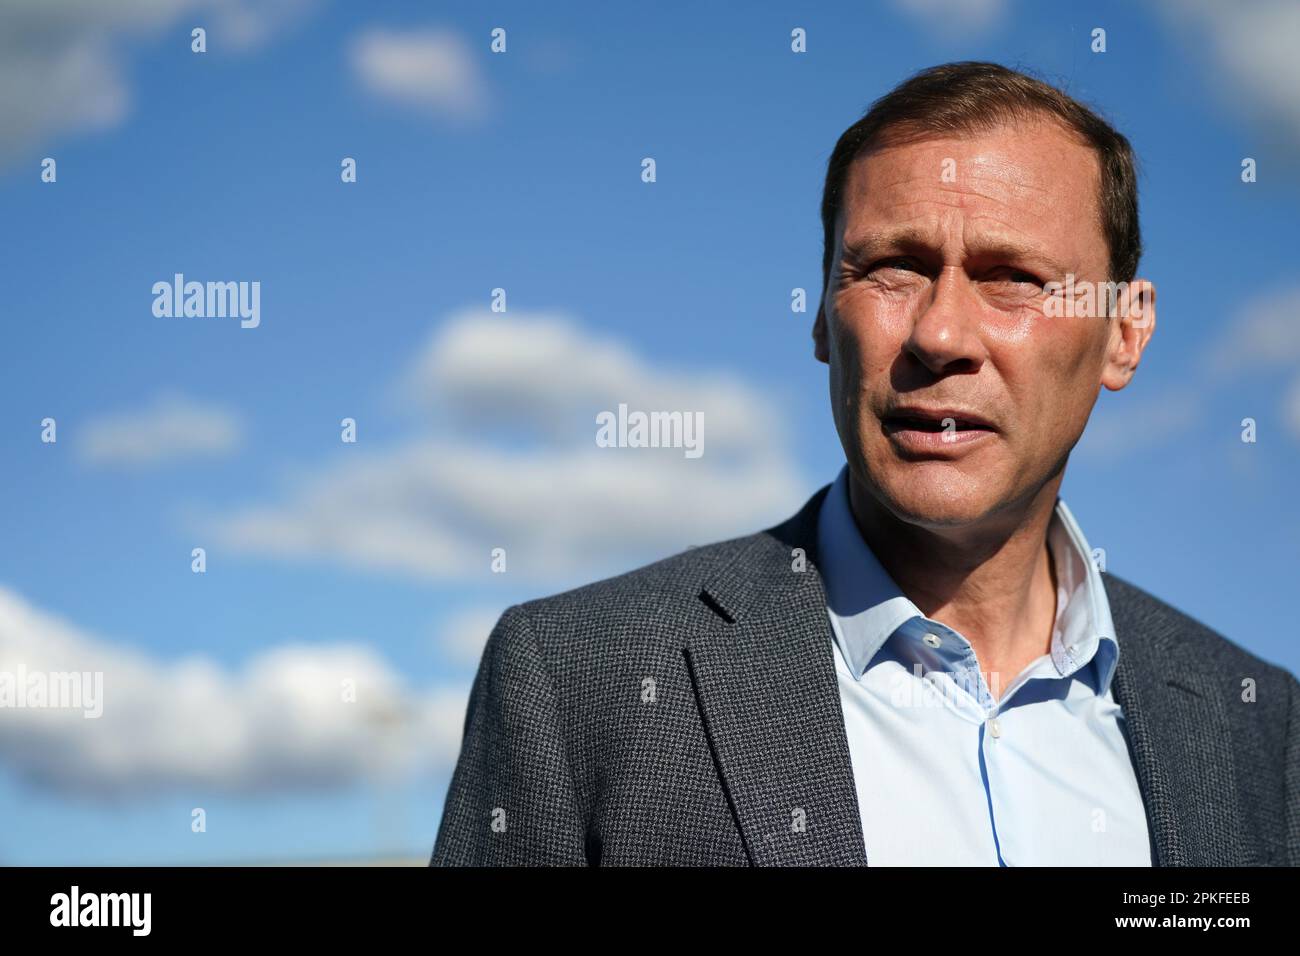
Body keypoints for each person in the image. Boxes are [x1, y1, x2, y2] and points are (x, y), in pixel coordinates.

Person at [430, 61, 1299, 866]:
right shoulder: (579, 679)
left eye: (1014, 278)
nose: (940, 335)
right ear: (820, 318)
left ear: (1125, 332)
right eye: (890, 269)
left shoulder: (1257, 726)